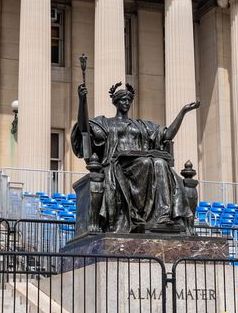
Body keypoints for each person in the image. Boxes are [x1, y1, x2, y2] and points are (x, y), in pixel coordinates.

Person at [71, 81, 198, 234]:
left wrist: (183, 112)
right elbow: (84, 128)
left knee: (160, 163)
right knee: (147, 162)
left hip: (141, 163)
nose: (127, 103)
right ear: (116, 102)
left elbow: (167, 135)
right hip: (119, 164)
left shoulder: (141, 125)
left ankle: (162, 217)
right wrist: (82, 101)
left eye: (129, 100)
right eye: (123, 100)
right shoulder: (105, 123)